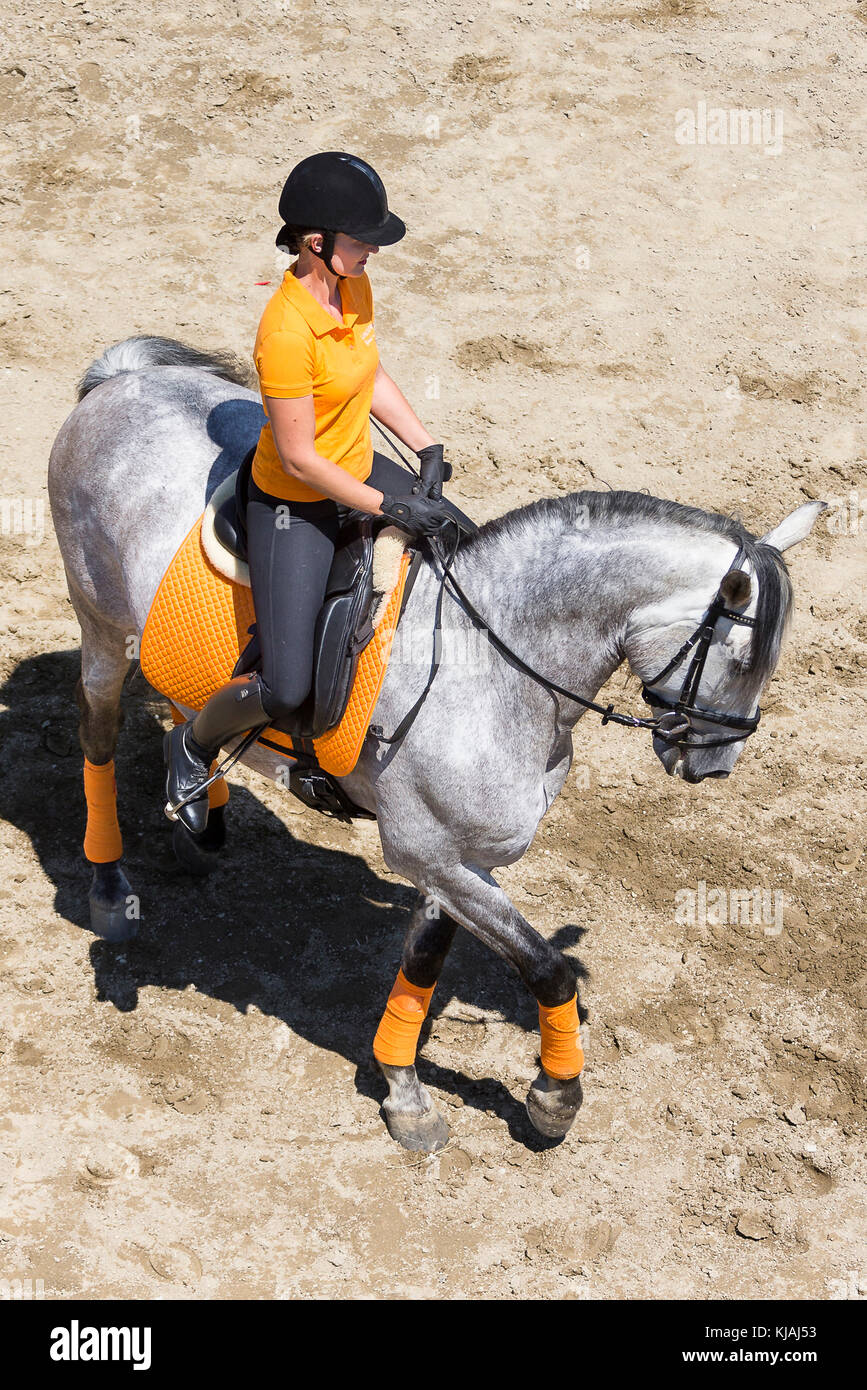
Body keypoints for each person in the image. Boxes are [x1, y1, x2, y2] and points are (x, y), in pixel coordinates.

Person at [165, 150, 473, 835]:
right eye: (361, 242)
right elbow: (300, 460)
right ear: (316, 244)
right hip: (291, 503)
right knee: (285, 687)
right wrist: (387, 506)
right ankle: (191, 746)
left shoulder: (352, 287)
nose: (370, 252)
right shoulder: (283, 329)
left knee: (464, 540)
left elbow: (368, 371)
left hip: (358, 465)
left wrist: (423, 443)